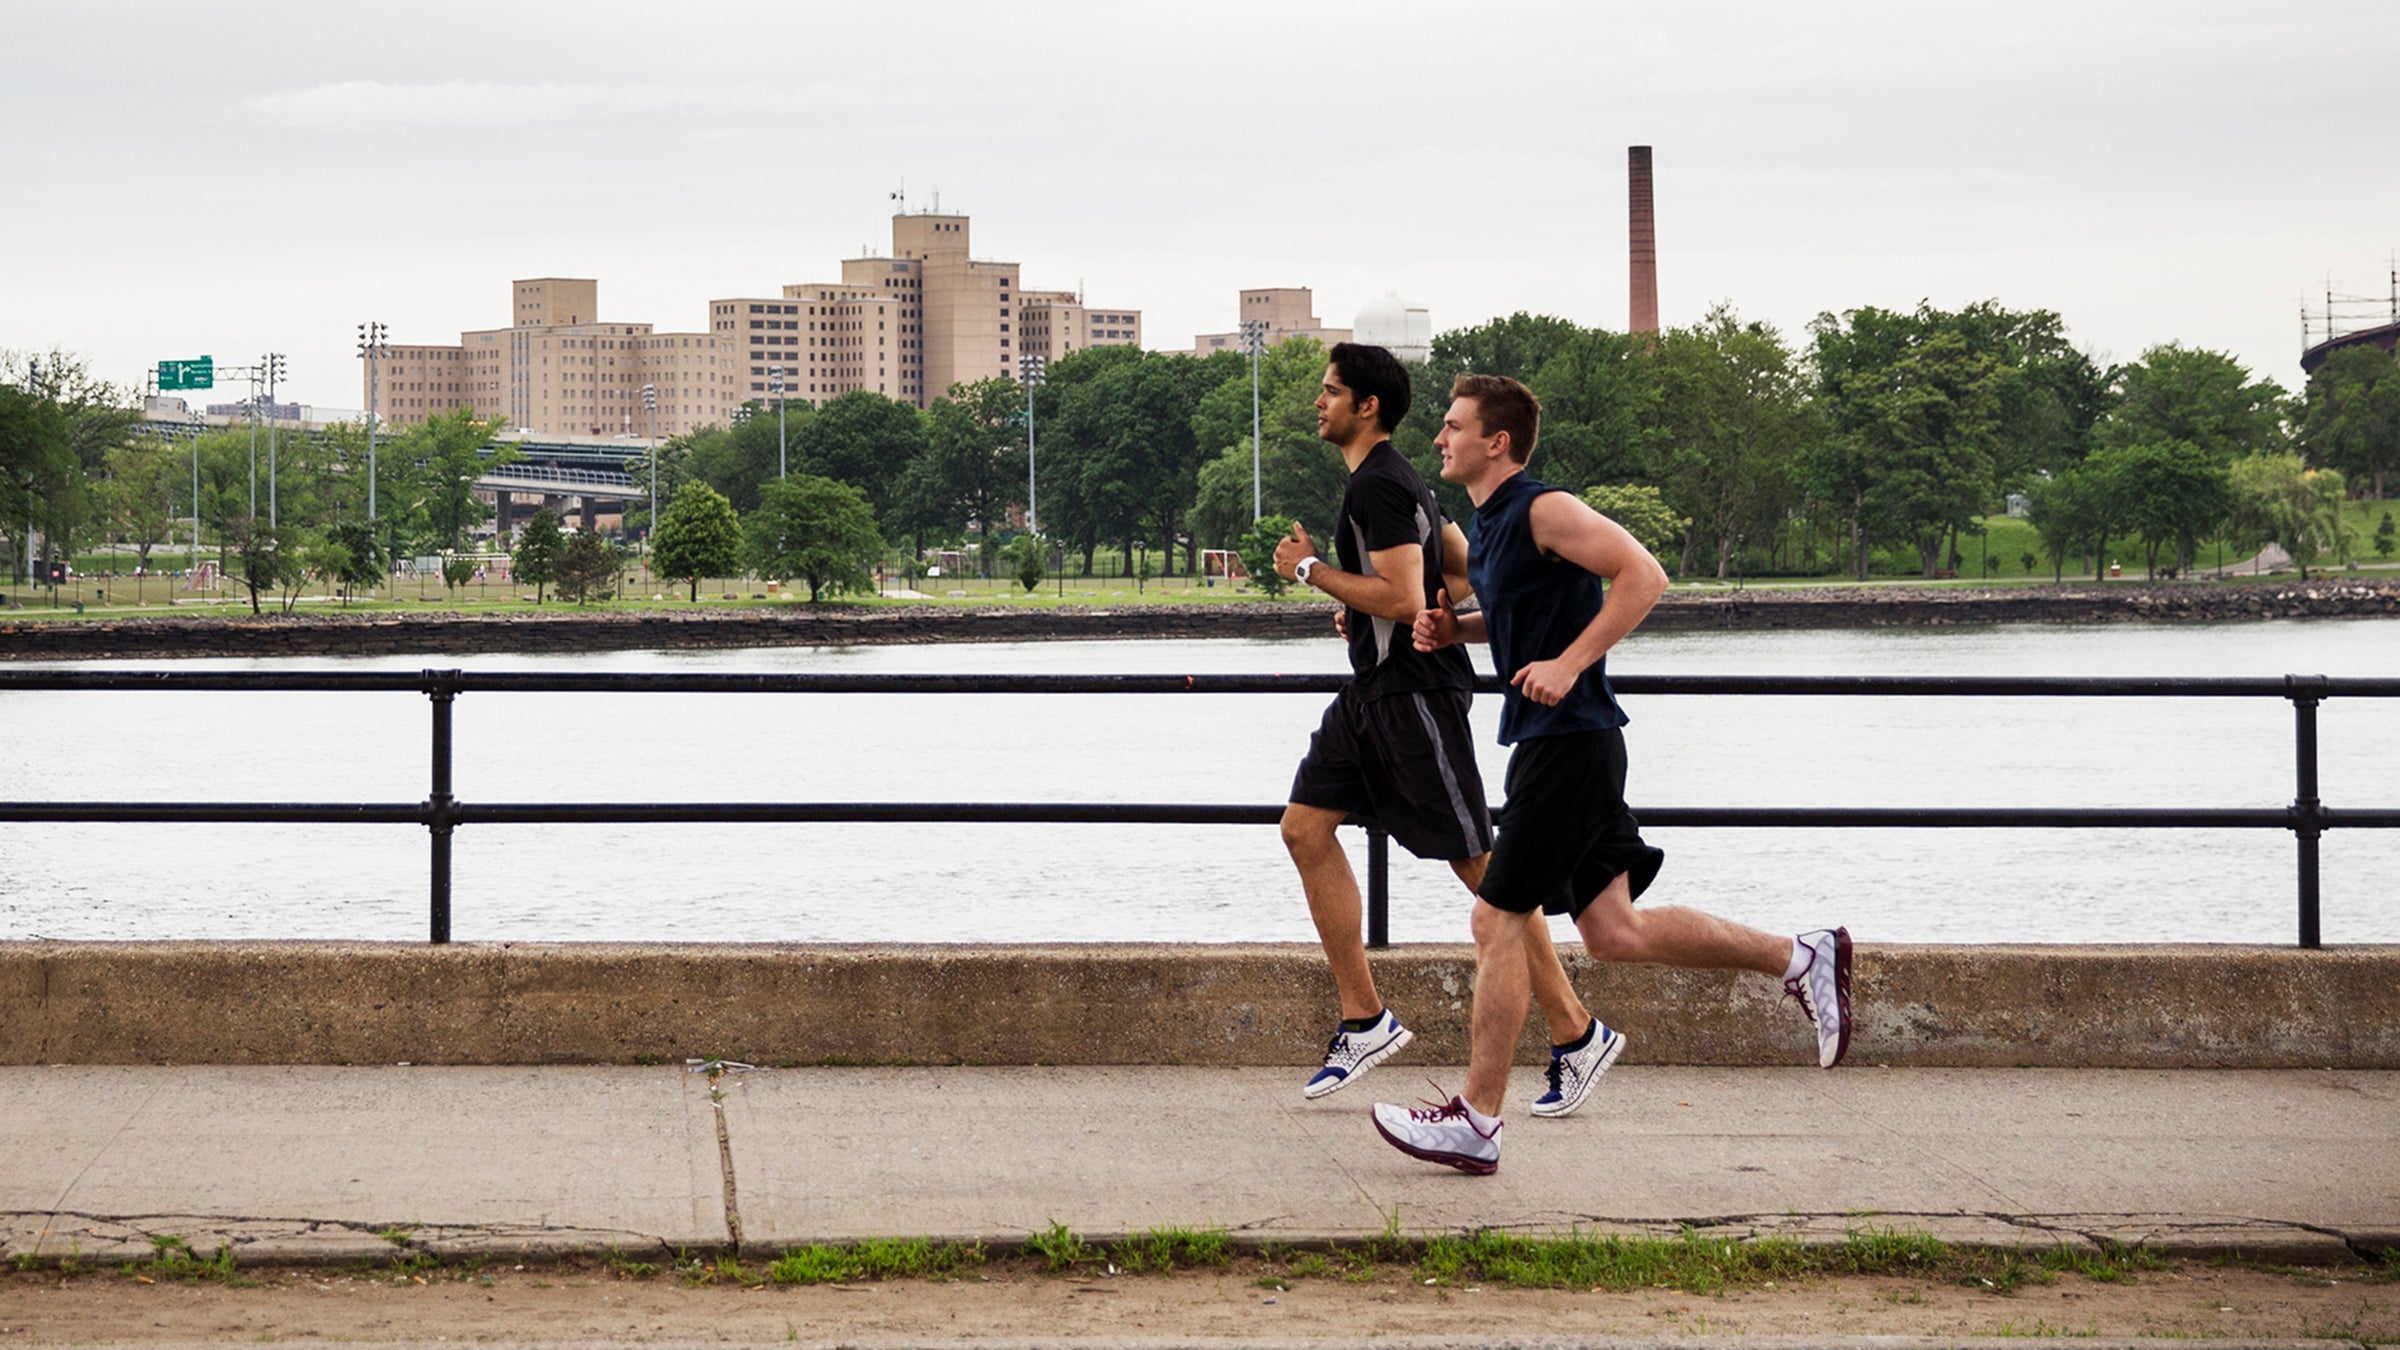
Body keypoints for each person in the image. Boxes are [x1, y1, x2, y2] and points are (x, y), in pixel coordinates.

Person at [1372, 372, 1852, 1175]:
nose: (1439, 438)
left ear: (1498, 441)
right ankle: (1801, 957)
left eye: (1453, 426)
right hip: (1560, 742)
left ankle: (1476, 1121)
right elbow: (1524, 613)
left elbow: (1645, 577)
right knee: (1615, 933)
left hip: (1571, 741)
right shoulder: (1490, 525)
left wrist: (1569, 661)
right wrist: (1457, 629)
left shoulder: (1543, 507)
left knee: (1496, 920)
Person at [1270, 343, 1620, 1112]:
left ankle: (1576, 1031)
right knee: (1303, 829)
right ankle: (1364, 1017)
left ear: (1368, 407)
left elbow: (1402, 597)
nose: (1317, 404)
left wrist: (1310, 571)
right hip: (1371, 694)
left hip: (1414, 698)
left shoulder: (1384, 489)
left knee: (1481, 867)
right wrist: (1365, 604)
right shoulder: (1400, 487)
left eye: (1330, 393)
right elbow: (1455, 574)